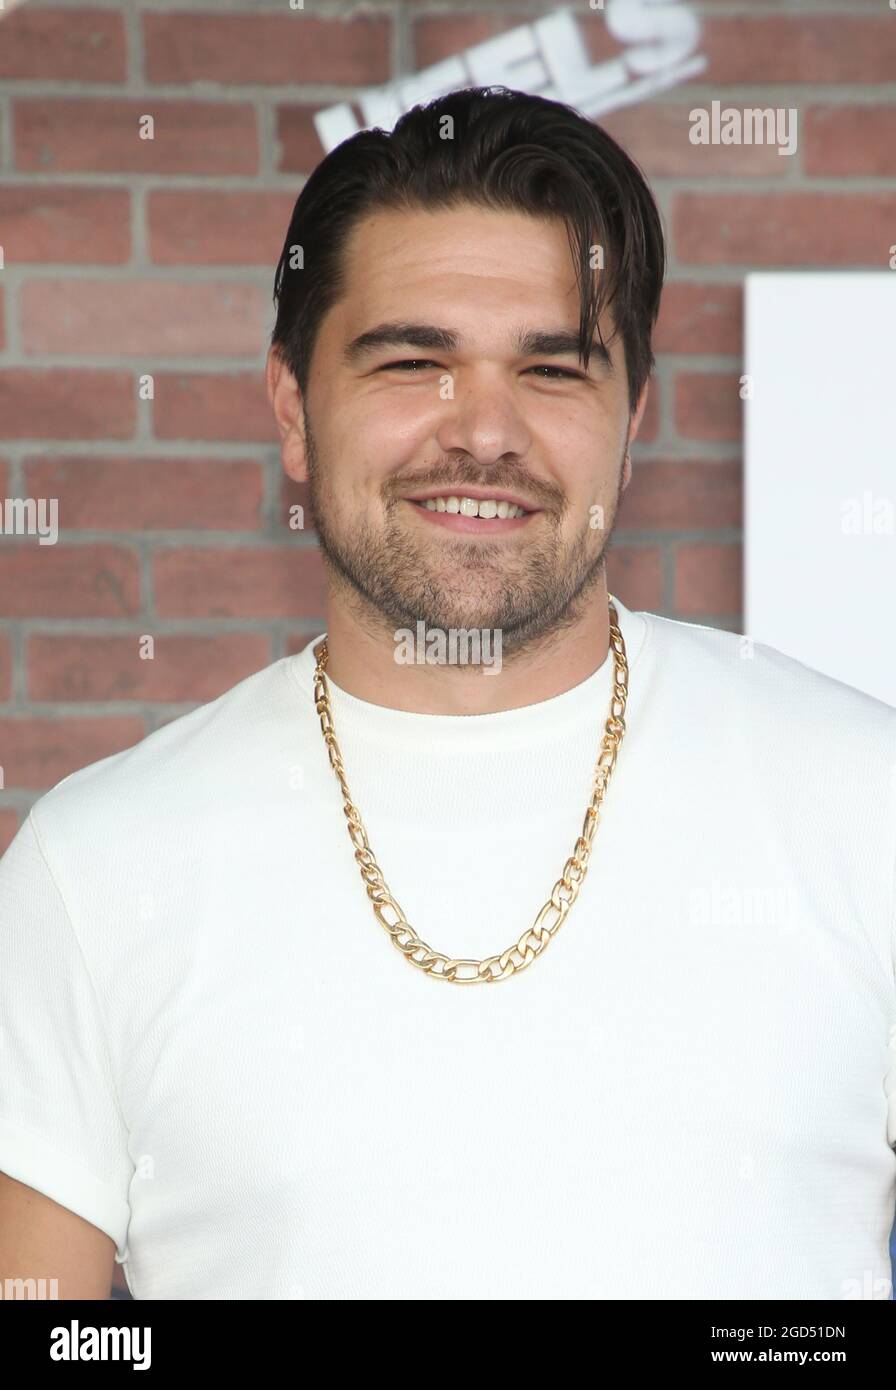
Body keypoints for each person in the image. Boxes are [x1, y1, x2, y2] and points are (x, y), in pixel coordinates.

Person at [1, 86, 894, 1302]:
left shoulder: (863, 801)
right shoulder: (91, 868)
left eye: (552, 368)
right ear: (290, 409)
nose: (482, 432)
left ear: (631, 419)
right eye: (412, 362)